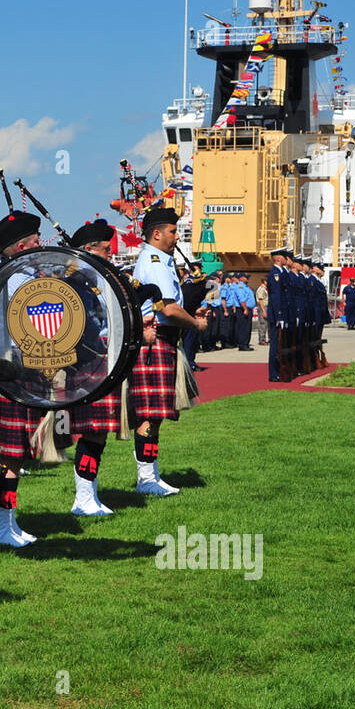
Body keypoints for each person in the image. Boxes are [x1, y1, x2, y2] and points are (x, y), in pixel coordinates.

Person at [129, 208, 208, 495]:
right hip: (156, 340)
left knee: (156, 413)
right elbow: (168, 309)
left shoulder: (161, 261)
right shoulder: (155, 262)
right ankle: (146, 479)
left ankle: (151, 475)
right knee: (150, 413)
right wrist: (195, 323)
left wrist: (189, 310)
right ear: (157, 233)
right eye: (173, 231)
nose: (176, 237)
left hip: (162, 339)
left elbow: (170, 305)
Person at [0, 211, 43, 547]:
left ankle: (8, 525)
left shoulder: (10, 274)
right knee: (9, 455)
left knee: (12, 455)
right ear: (20, 246)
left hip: (12, 369)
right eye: (34, 241)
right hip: (12, 369)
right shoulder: (20, 279)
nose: (40, 245)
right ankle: (2, 529)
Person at [67, 219, 122, 517]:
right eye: (105, 249)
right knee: (92, 430)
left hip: (96, 359)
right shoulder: (72, 281)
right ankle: (83, 498)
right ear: (88, 249)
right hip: (81, 362)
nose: (109, 254)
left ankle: (89, 494)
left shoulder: (90, 280)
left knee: (97, 431)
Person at [266, 248, 291, 380]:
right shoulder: (275, 274)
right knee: (275, 345)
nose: (285, 259)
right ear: (278, 258)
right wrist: (280, 316)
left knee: (281, 345)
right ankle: (273, 373)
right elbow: (276, 297)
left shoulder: (282, 272)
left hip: (282, 314)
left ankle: (279, 371)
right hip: (277, 315)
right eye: (283, 256)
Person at [233, 272, 256, 351]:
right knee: (243, 328)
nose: (247, 279)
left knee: (247, 327)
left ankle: (245, 343)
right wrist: (245, 309)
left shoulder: (246, 287)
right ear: (241, 278)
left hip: (248, 309)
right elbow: (241, 299)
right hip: (243, 309)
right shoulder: (240, 287)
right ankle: (242, 345)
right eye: (246, 277)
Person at [255, 277, 269, 346]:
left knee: (266, 324)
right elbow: (260, 300)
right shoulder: (261, 289)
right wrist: (263, 310)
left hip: (267, 307)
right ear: (264, 281)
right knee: (262, 323)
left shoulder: (265, 289)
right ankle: (262, 339)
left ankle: (266, 339)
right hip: (263, 307)